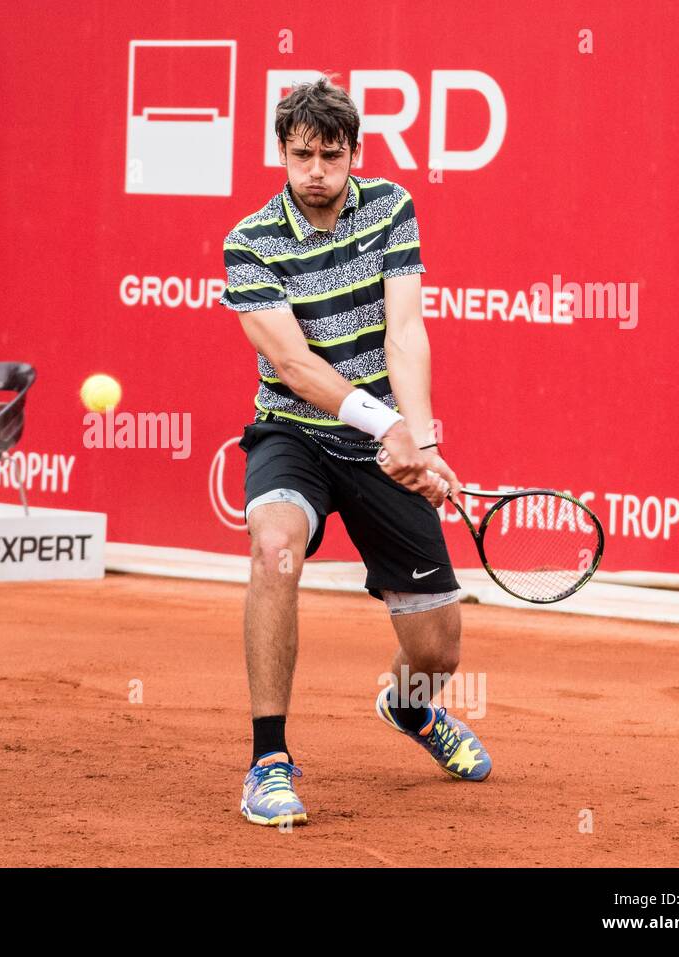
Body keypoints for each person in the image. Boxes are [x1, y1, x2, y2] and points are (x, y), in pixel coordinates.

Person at [218, 76, 492, 827]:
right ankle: (267, 761)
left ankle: (411, 711)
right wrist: (389, 428)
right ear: (281, 151)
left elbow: (405, 332)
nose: (315, 171)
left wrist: (423, 441)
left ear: (354, 153)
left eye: (329, 156)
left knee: (437, 653)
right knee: (275, 545)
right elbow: (297, 365)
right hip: (293, 431)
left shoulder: (391, 209)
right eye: (300, 154)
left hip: (384, 440)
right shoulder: (248, 243)